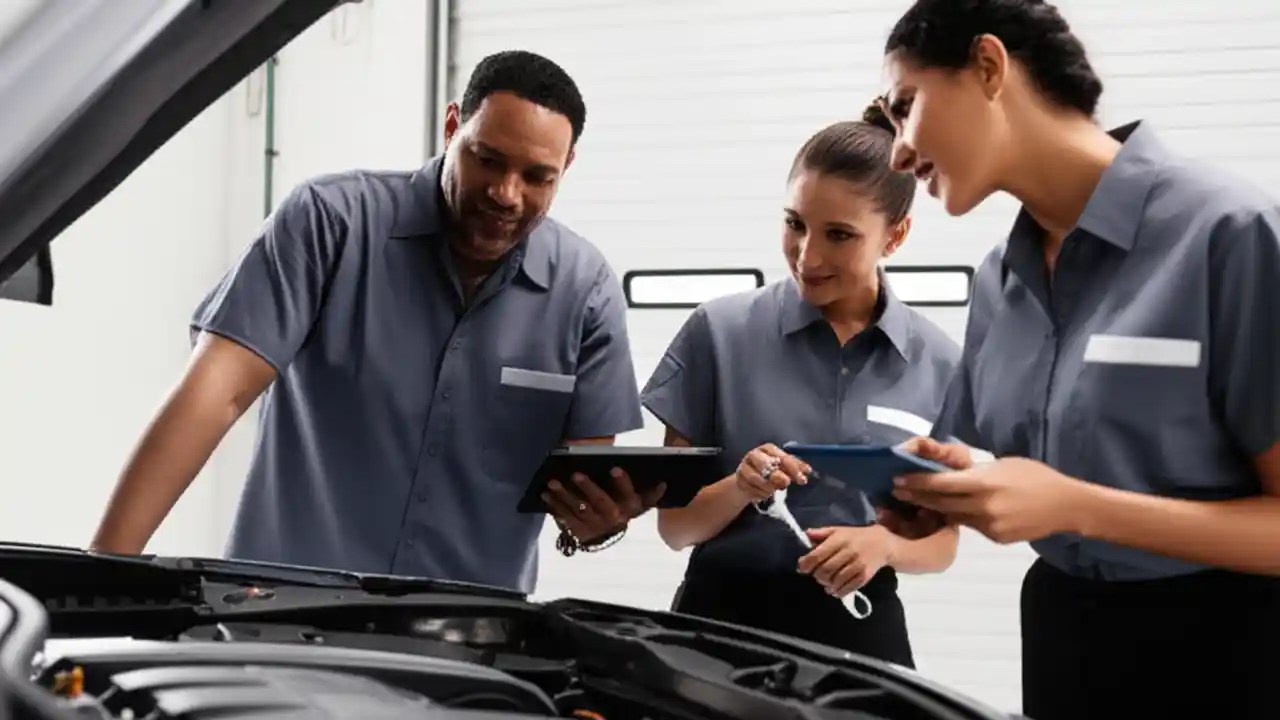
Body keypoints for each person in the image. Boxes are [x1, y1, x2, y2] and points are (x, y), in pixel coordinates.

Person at [89, 50, 663, 594]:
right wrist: (102, 579)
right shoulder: (329, 223)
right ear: (451, 127)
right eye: (487, 159)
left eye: (537, 177)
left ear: (567, 166)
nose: (505, 194)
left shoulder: (586, 291)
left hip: (470, 639)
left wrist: (597, 526)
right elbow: (214, 395)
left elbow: (584, 486)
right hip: (287, 614)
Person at [875, 1, 1280, 717]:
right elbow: (1031, 474)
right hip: (1064, 636)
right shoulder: (999, 280)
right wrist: (956, 494)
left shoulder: (1228, 235)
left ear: (989, 67)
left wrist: (1076, 507)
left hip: (1228, 646)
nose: (897, 152)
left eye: (904, 107)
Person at [639, 107, 962, 668]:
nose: (807, 256)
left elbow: (942, 543)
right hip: (719, 630)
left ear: (897, 235)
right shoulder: (716, 334)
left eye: (839, 235)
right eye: (795, 224)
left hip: (860, 632)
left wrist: (883, 545)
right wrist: (739, 488)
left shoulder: (938, 363)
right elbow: (675, 527)